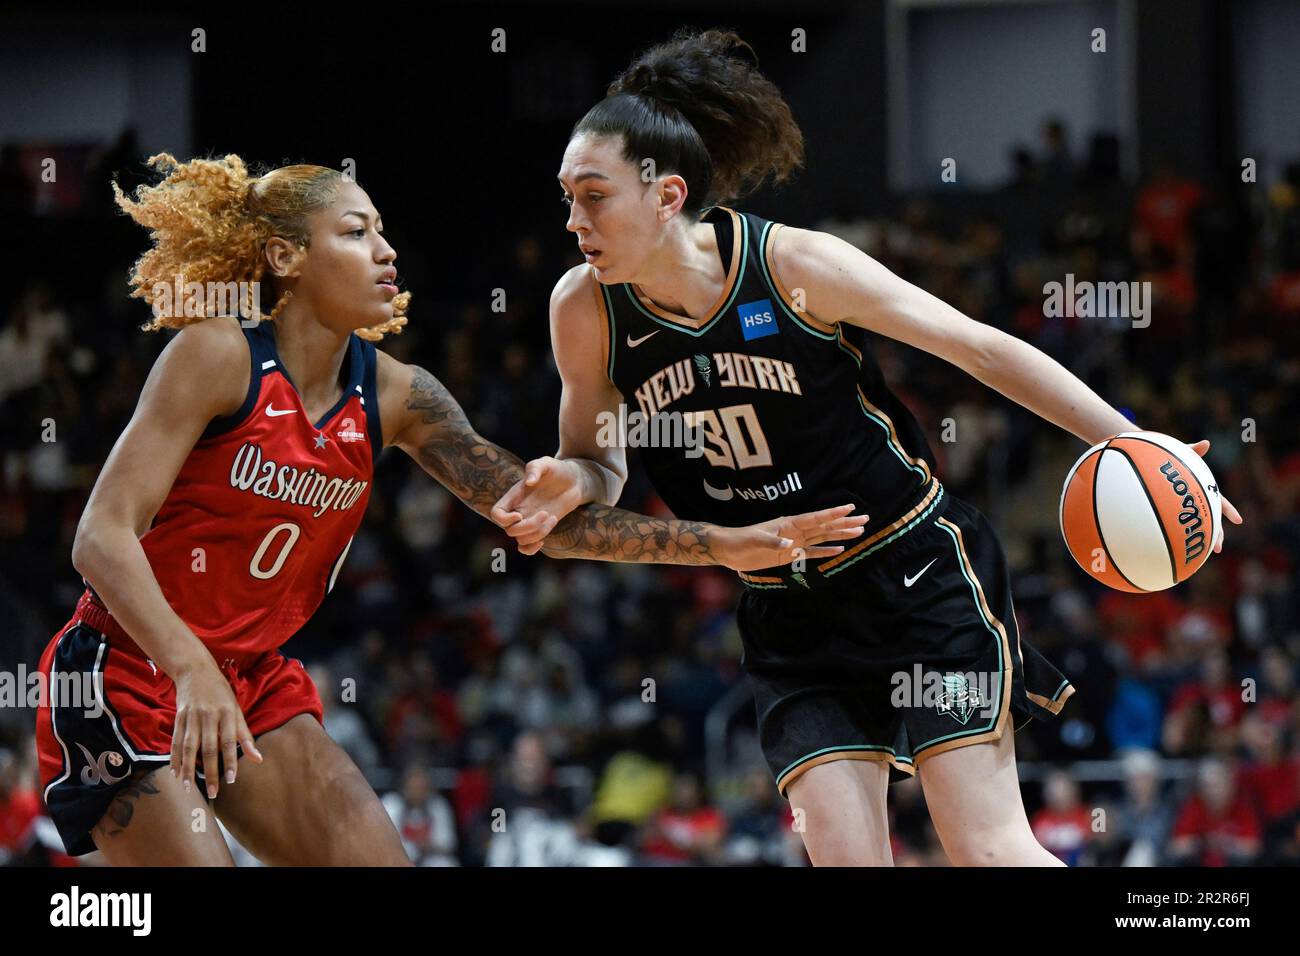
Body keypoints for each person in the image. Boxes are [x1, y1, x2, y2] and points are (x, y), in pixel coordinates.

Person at [494, 27, 1242, 866]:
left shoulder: (795, 267)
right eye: (566, 197)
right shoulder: (584, 310)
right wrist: (572, 475)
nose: (572, 220)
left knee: (988, 851)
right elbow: (597, 460)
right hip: (787, 610)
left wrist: (1137, 439)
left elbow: (979, 347)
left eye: (592, 196)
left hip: (915, 574)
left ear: (666, 195)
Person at [33, 152, 870, 866]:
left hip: (248, 679)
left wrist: (718, 545)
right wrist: (189, 668)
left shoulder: (399, 395)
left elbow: (545, 521)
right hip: (124, 670)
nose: (387, 251)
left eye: (384, 231)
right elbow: (101, 536)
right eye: (356, 233)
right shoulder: (217, 354)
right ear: (285, 257)